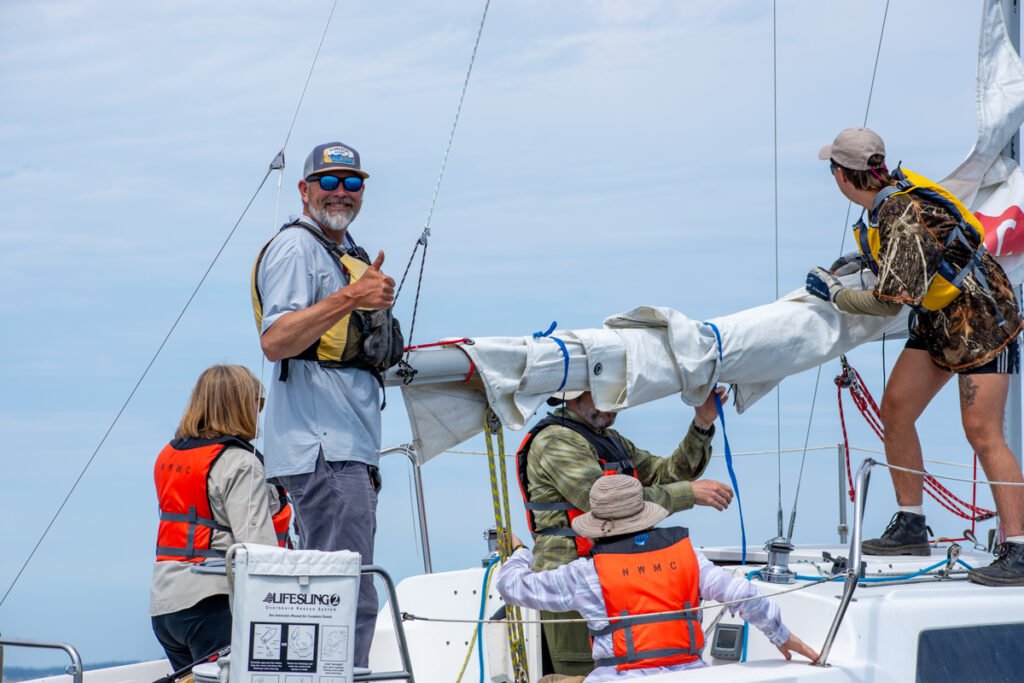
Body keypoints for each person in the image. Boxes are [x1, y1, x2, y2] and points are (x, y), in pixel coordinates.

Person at [806, 127, 1024, 586]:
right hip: (939, 319)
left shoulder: (898, 211)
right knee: (897, 410)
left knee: (982, 432)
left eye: (833, 170)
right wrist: (865, 261)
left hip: (983, 319)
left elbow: (889, 302)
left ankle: (1019, 549)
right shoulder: (897, 193)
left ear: (843, 176)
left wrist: (836, 295)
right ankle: (911, 525)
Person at [251, 141, 399, 666]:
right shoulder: (296, 249)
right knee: (345, 593)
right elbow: (276, 340)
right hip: (325, 448)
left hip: (346, 445)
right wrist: (350, 299)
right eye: (329, 182)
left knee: (338, 589)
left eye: (353, 183)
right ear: (305, 189)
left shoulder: (345, 251)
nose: (341, 193)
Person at [497, 475, 818, 681]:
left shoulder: (586, 574)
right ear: (644, 515)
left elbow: (511, 587)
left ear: (599, 525)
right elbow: (743, 592)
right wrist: (780, 636)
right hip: (690, 676)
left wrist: (523, 553)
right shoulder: (688, 557)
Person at [514, 388, 735, 676]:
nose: (617, 402)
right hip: (573, 584)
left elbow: (665, 473)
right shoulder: (556, 441)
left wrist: (702, 424)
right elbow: (600, 502)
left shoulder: (609, 440)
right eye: (605, 391)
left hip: (616, 578)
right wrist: (688, 494)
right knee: (584, 672)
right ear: (572, 393)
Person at [150, 364, 291, 670]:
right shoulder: (241, 463)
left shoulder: (168, 456)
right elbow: (258, 548)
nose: (259, 412)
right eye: (258, 403)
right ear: (240, 405)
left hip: (165, 607)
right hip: (212, 604)